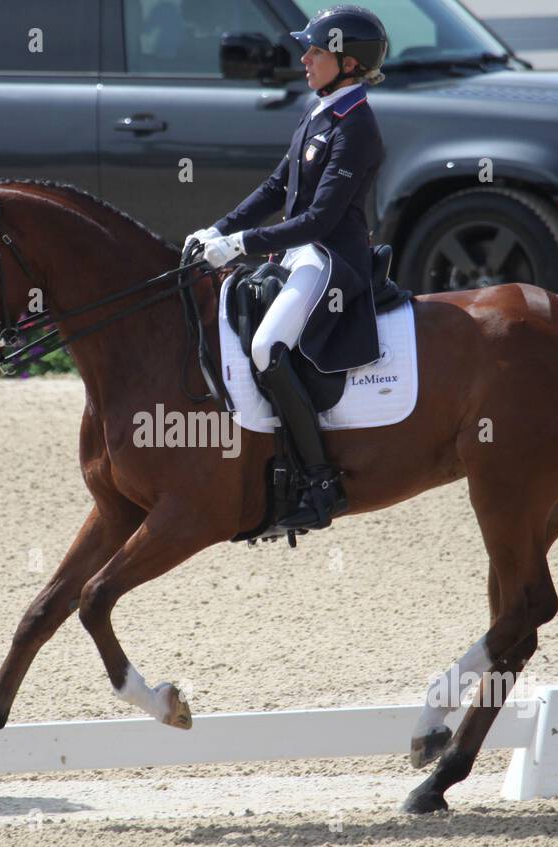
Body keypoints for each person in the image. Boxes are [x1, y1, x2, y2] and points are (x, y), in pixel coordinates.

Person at [186, 5, 389, 532]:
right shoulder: (322, 111)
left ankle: (321, 481)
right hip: (299, 252)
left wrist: (241, 243)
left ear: (348, 63)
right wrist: (218, 228)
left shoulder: (357, 125)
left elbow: (320, 219)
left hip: (331, 258)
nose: (304, 59)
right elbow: (277, 188)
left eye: (316, 51)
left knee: (266, 347)